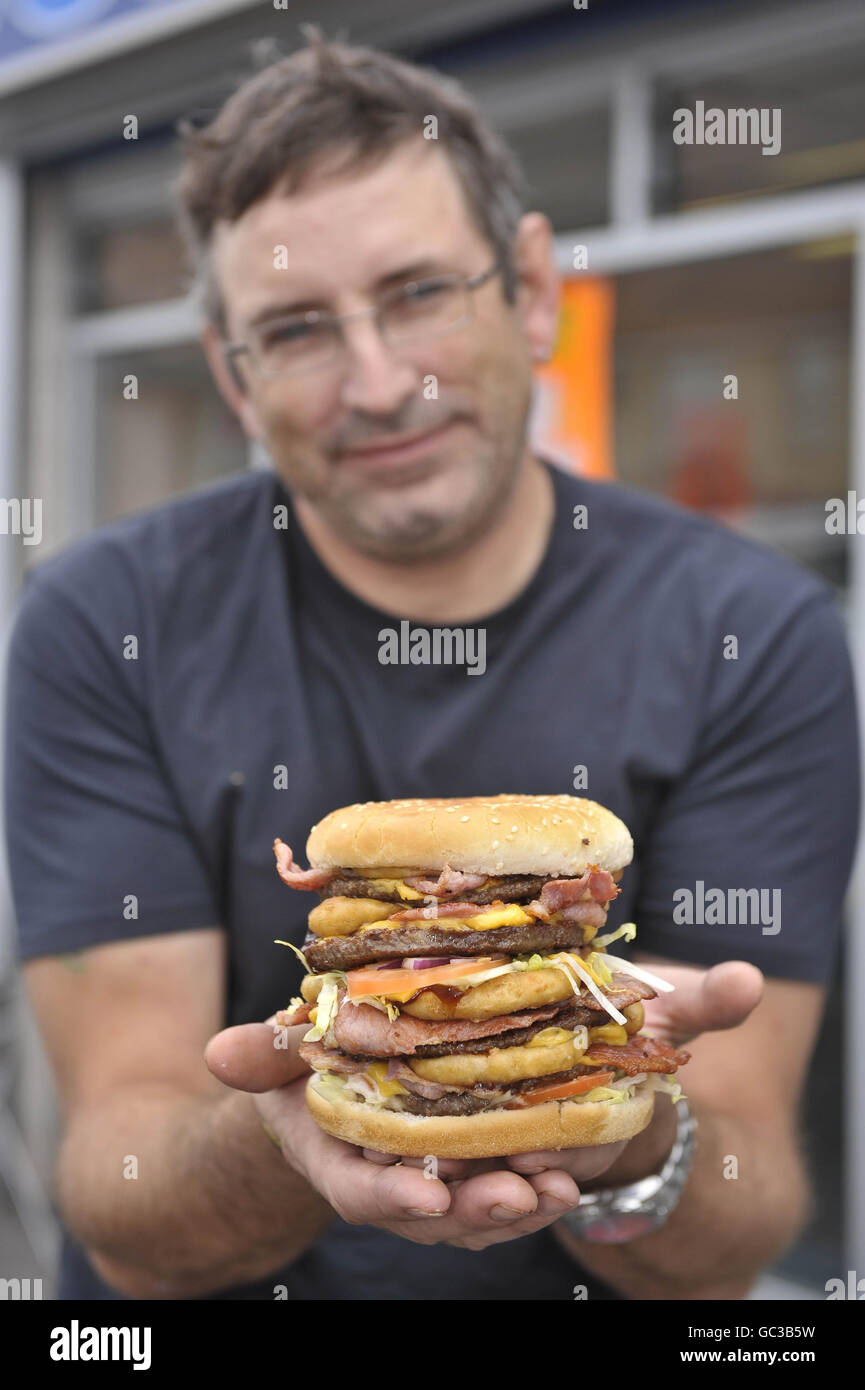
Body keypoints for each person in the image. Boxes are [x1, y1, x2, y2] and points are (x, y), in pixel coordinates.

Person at [4, 28, 858, 1302]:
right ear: (235, 379)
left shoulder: (757, 633)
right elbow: (122, 1199)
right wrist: (289, 1130)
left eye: (418, 293)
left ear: (525, 288)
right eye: (294, 329)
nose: (378, 381)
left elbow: (737, 1234)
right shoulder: (98, 619)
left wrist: (631, 1121)